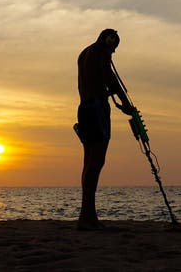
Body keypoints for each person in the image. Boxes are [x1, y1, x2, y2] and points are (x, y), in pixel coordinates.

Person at [75, 29, 133, 230]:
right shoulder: (100, 53)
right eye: (114, 47)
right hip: (97, 109)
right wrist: (125, 103)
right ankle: (87, 217)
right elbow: (111, 81)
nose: (113, 53)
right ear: (109, 42)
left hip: (84, 108)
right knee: (97, 161)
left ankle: (87, 215)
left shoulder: (84, 53)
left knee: (88, 161)